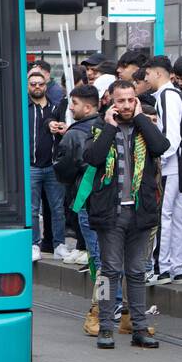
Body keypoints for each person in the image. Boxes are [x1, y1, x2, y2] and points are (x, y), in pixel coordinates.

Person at [77, 80, 170, 350]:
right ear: (110, 101)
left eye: (131, 100)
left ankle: (139, 327)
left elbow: (160, 146)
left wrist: (141, 117)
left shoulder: (144, 127)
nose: (127, 106)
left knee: (137, 272)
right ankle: (106, 326)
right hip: (110, 213)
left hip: (140, 212)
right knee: (109, 271)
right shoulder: (98, 127)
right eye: (121, 101)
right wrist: (109, 125)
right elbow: (93, 158)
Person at [53, 84, 106, 335]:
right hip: (110, 202)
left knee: (99, 259)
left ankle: (106, 305)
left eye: (73, 105)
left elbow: (63, 168)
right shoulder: (108, 127)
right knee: (113, 258)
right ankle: (117, 305)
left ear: (87, 106)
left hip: (87, 201)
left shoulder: (74, 134)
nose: (70, 109)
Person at [140, 56, 182, 286]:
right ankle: (176, 268)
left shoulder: (168, 96)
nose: (145, 78)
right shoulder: (171, 95)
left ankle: (164, 267)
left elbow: (171, 136)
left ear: (157, 73)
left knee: (166, 217)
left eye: (147, 73)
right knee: (177, 216)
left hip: (171, 166)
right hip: (178, 166)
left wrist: (159, 159)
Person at [27, 70, 68, 261]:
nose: (36, 87)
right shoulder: (23, 107)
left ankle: (59, 244)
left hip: (53, 166)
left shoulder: (56, 107)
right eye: (33, 83)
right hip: (32, 166)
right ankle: (35, 244)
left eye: (40, 84)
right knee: (33, 209)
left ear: (46, 85)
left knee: (57, 208)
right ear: (28, 85)